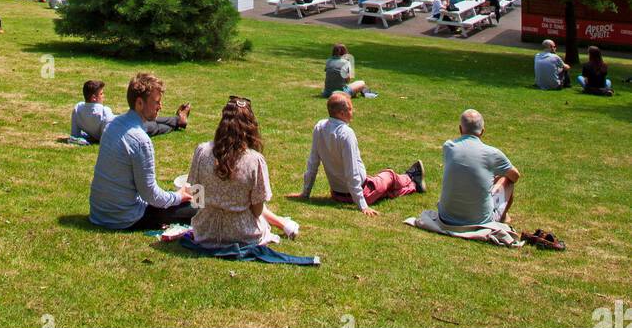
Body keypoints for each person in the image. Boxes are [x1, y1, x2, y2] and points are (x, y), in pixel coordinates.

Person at [88, 72, 196, 230]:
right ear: (139, 103)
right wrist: (178, 196)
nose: (161, 107)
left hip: (99, 213)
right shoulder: (140, 140)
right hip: (125, 218)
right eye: (157, 102)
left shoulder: (112, 124)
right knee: (197, 207)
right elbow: (150, 195)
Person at [289, 92, 424, 216]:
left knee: (387, 191)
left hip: (337, 194)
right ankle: (411, 175)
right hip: (363, 192)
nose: (353, 112)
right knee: (390, 175)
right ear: (342, 113)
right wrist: (362, 205)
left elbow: (313, 163)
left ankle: (413, 186)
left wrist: (305, 193)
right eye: (350, 109)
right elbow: (352, 173)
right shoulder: (346, 134)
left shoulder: (319, 127)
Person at [188, 97, 299, 246]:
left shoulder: (202, 151)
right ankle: (284, 224)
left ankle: (284, 223)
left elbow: (195, 196)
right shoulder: (255, 160)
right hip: (242, 234)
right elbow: (257, 210)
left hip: (205, 231)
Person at [436, 109, 520, 227]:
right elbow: (515, 176)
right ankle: (502, 215)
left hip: (446, 216)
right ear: (482, 131)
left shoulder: (449, 146)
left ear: (460, 129)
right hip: (479, 221)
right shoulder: (493, 154)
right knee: (507, 178)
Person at [71, 79, 191, 143]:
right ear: (94, 98)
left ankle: (177, 120)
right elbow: (108, 134)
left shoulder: (77, 109)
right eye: (101, 94)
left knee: (151, 121)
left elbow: (75, 134)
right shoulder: (104, 111)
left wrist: (90, 137)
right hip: (124, 129)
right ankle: (178, 122)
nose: (104, 96)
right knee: (154, 125)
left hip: (121, 124)